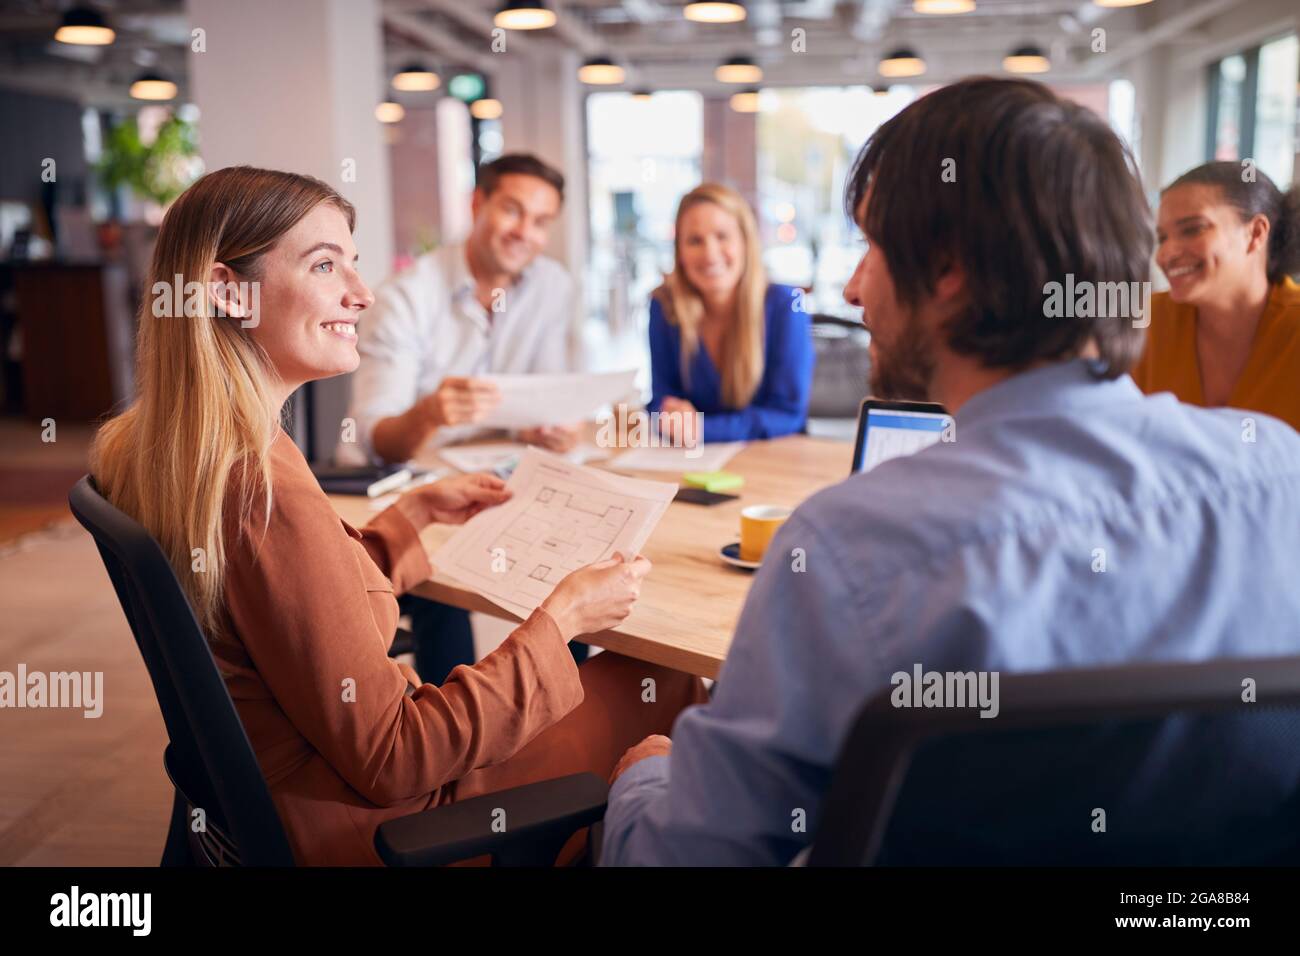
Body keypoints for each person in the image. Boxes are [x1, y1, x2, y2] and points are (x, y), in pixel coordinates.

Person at [599, 78, 1300, 866]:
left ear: (948, 271)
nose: (852, 287)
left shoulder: (845, 551)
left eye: (871, 247)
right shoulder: (1279, 473)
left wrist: (641, 786)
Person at [90, 166, 707, 866]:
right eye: (326, 266)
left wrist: (409, 518)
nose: (361, 293)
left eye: (352, 264)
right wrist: (561, 619)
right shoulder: (264, 486)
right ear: (230, 291)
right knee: (673, 686)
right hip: (385, 823)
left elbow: (300, 610)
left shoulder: (176, 450)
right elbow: (396, 754)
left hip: (292, 790)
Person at [340, 153, 590, 679]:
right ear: (478, 204)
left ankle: (562, 721)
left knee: (581, 558)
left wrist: (554, 424)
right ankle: (443, 731)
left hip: (511, 481)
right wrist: (430, 412)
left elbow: (552, 392)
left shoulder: (554, 287)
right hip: (425, 492)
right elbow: (377, 440)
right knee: (437, 578)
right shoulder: (406, 298)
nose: (525, 232)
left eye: (542, 221)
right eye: (512, 211)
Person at [1133, 161, 1300, 430]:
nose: (1166, 254)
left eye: (1193, 229)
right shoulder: (1146, 322)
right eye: (1162, 238)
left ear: (1255, 233)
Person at [647, 183, 814, 444]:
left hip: (770, 460)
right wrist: (668, 414)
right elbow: (660, 397)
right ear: (679, 251)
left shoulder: (786, 306)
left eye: (722, 236)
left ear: (746, 242)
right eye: (694, 241)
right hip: (689, 463)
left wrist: (703, 429)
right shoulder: (665, 306)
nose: (710, 254)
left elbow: (788, 414)